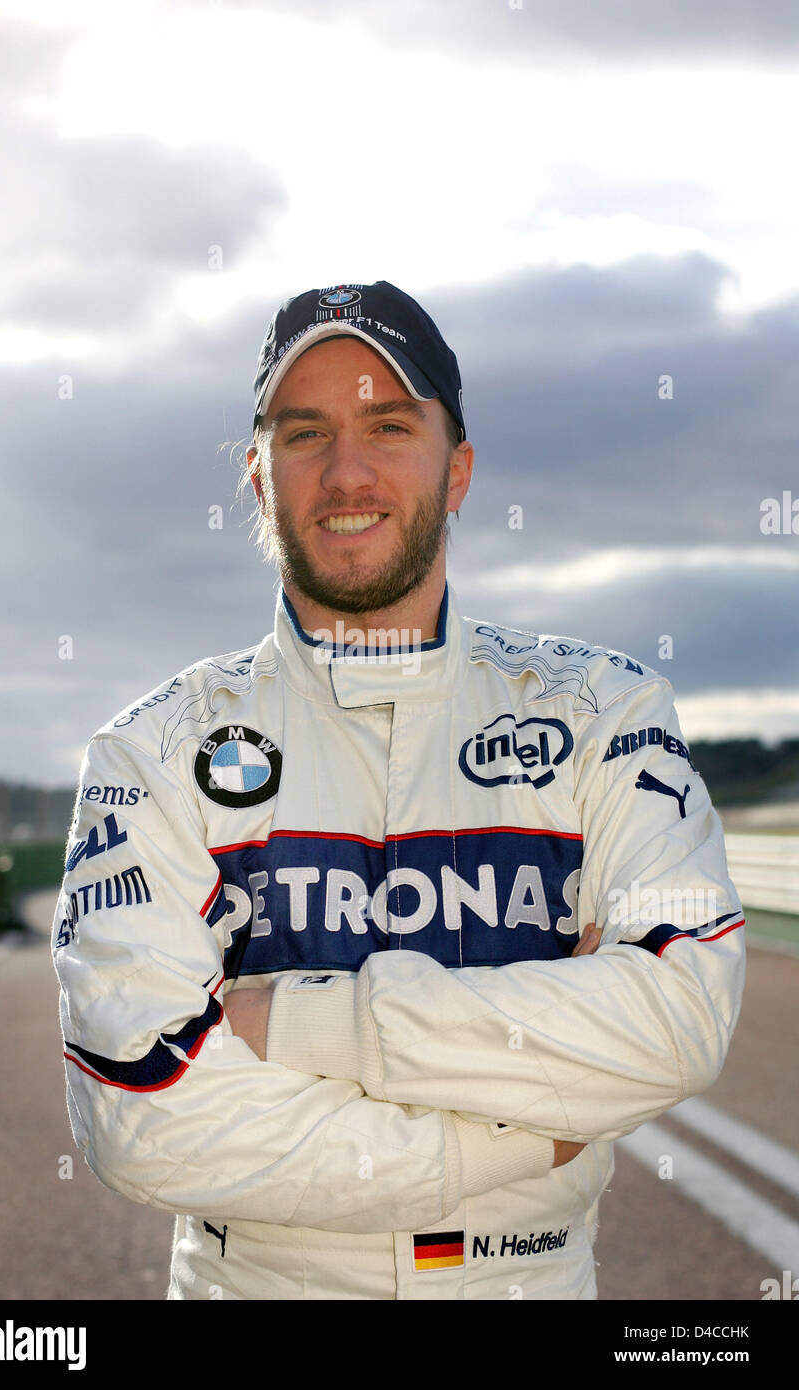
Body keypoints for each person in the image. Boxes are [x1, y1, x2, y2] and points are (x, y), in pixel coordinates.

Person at [52, 280, 745, 1301]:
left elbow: (679, 1016)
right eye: (305, 433)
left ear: (457, 468)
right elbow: (144, 1111)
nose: (347, 471)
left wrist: (302, 1025)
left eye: (389, 426)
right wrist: (521, 1139)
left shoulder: (603, 712)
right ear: (257, 475)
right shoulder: (151, 753)